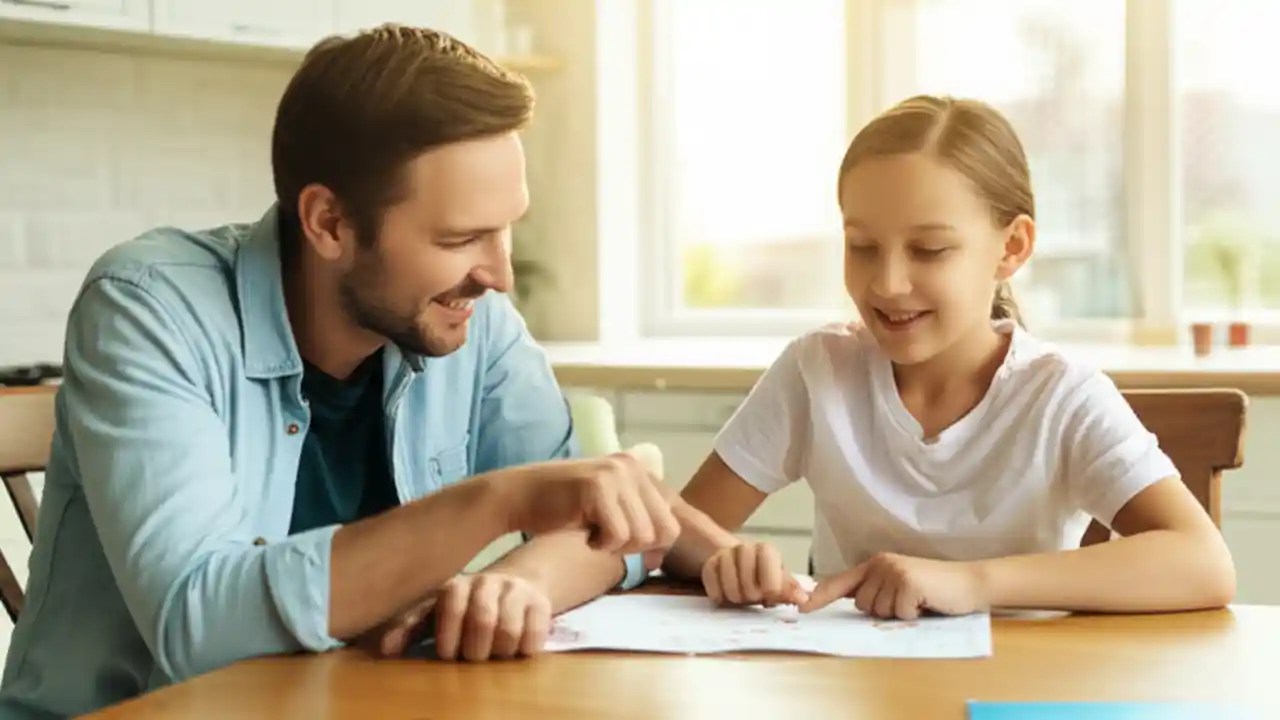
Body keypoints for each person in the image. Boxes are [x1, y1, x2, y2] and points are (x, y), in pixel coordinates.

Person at [0, 25, 680, 719]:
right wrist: (497, 502)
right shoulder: (149, 309)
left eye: (506, 230)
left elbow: (615, 529)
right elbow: (197, 626)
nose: (499, 274)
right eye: (459, 238)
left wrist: (521, 582)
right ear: (328, 223)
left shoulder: (463, 316)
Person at [660, 95, 1236, 620]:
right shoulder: (817, 373)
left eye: (929, 250)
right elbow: (670, 530)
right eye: (862, 246)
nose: (887, 283)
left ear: (1011, 248)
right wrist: (725, 554)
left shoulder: (1061, 397)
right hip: (859, 690)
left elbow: (1203, 563)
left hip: (1020, 689)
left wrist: (974, 583)